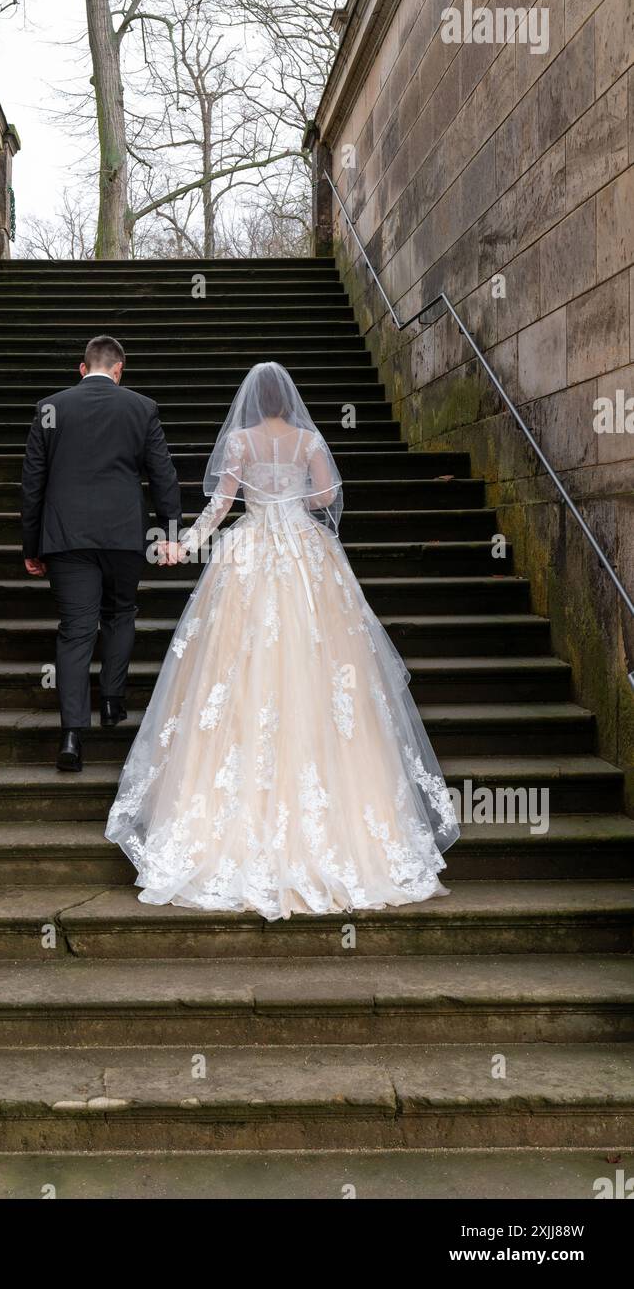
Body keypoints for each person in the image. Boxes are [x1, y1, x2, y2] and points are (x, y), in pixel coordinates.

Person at [105, 360, 460, 919]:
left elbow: (220, 507)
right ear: (287, 399)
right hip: (304, 553)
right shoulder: (309, 438)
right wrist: (292, 495)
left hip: (248, 554)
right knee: (328, 674)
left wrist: (186, 543)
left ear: (251, 400)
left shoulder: (241, 442)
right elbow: (325, 497)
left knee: (233, 669)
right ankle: (352, 838)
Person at [21, 334, 182, 771]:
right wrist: (169, 534)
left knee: (75, 630)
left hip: (66, 536)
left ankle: (72, 736)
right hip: (125, 535)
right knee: (121, 612)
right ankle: (111, 701)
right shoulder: (142, 408)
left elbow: (32, 483)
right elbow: (163, 476)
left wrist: (32, 545)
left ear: (81, 367)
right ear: (119, 370)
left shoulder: (50, 408)